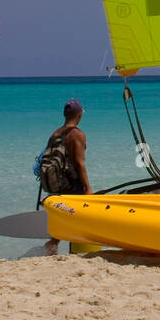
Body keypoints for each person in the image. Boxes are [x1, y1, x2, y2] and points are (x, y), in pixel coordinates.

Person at [42, 98, 91, 255]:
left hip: (57, 182)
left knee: (65, 216)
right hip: (71, 183)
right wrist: (88, 188)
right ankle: (56, 244)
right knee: (79, 214)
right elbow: (79, 163)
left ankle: (54, 244)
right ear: (79, 115)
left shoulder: (55, 133)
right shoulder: (77, 134)